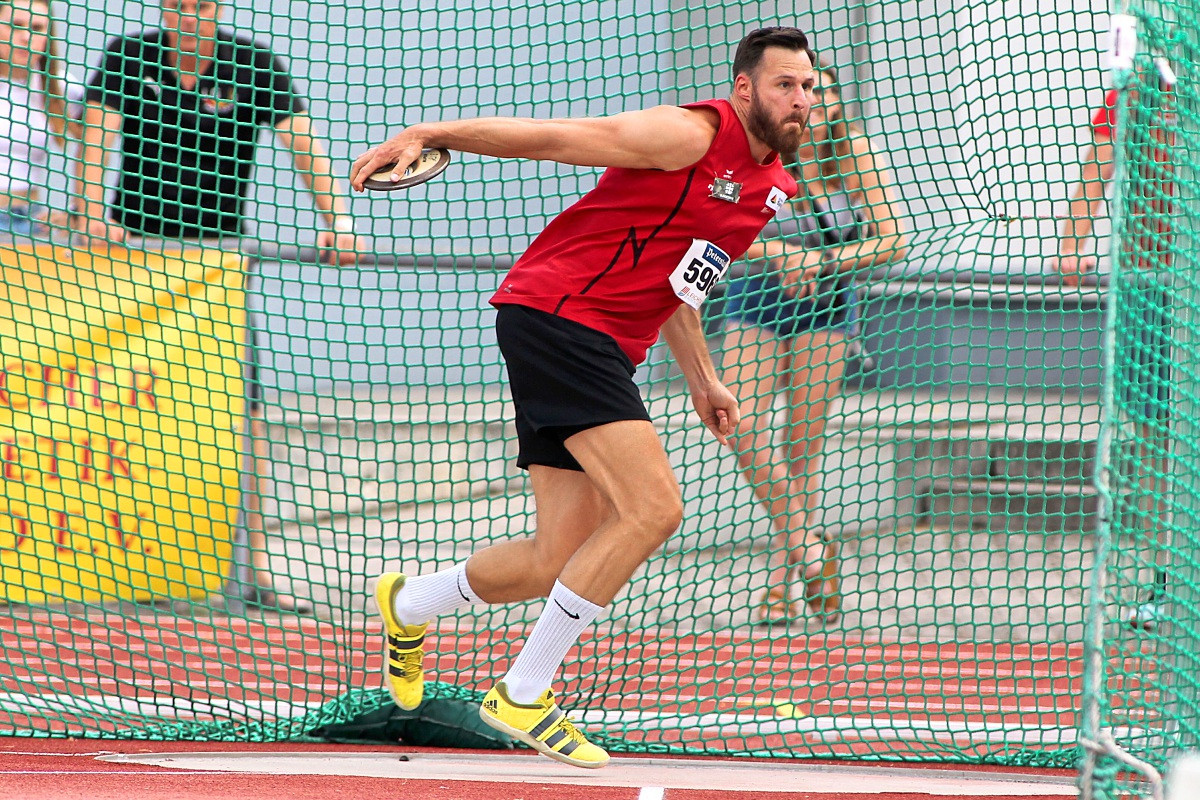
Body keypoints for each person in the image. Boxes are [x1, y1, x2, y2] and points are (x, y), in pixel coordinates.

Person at [349, 27, 815, 768]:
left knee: (555, 556)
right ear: (744, 90)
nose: (800, 100)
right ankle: (524, 693)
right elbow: (555, 137)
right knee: (655, 506)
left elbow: (678, 284)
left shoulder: (768, 189)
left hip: (586, 338)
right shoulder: (687, 134)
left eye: (809, 88)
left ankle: (409, 605)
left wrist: (703, 379)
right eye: (784, 84)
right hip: (561, 316)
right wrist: (433, 131)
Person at [73, 0, 363, 614]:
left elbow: (301, 145)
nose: (189, 17)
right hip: (129, 261)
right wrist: (90, 214)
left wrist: (336, 222)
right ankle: (107, 564)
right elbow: (97, 137)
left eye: (200, 6)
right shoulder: (130, 55)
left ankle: (253, 571)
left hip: (211, 273)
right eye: (176, 7)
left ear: (218, 9)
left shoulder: (254, 65)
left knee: (244, 415)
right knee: (112, 405)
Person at [718, 59, 906, 626]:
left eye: (820, 95)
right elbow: (711, 225)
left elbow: (892, 237)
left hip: (826, 305)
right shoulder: (750, 149)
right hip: (755, 297)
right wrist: (777, 253)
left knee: (802, 446)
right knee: (740, 422)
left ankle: (780, 583)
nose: (808, 104)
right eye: (796, 92)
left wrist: (822, 260)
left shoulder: (852, 154)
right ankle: (812, 549)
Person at [1050, 76, 1176, 630]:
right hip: (1154, 279)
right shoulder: (1144, 80)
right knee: (1156, 434)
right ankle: (1166, 579)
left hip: (1177, 275)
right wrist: (1072, 242)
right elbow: (1103, 153)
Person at [0, 0, 78, 237]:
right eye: (15, 25)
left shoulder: (59, 86)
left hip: (28, 223)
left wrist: (77, 213)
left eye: (37, 28)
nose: (25, 36)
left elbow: (98, 142)